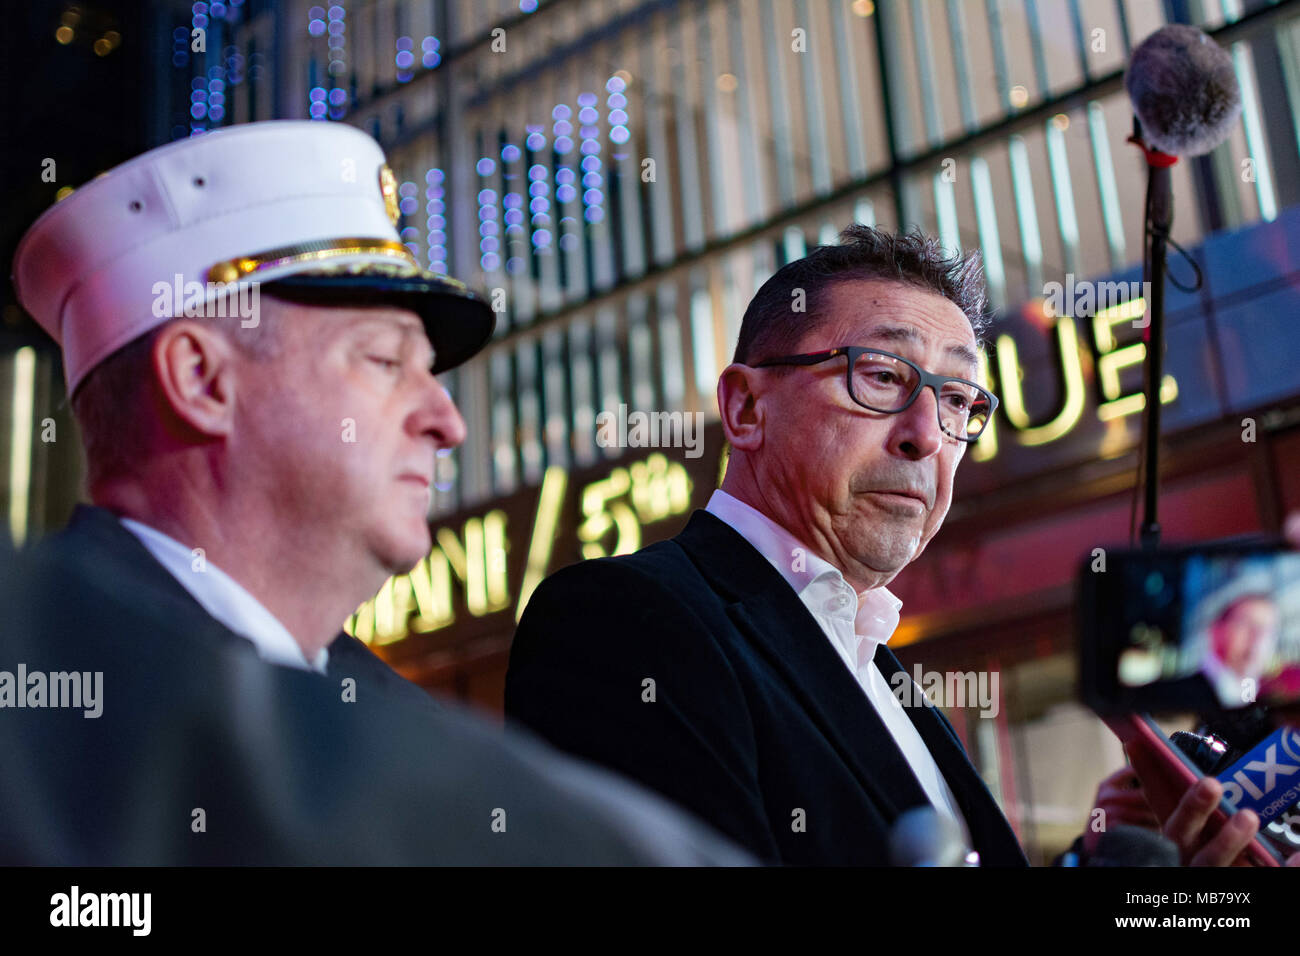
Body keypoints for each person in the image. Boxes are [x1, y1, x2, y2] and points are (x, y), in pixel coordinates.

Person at [0, 119, 750, 865]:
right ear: (201, 379)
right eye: (385, 362)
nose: (446, 421)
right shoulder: (42, 694)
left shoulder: (391, 717)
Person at [506, 224, 1290, 867]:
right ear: (745, 409)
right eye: (881, 377)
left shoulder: (874, 663)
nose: (926, 435)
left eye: (955, 399)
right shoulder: (622, 619)